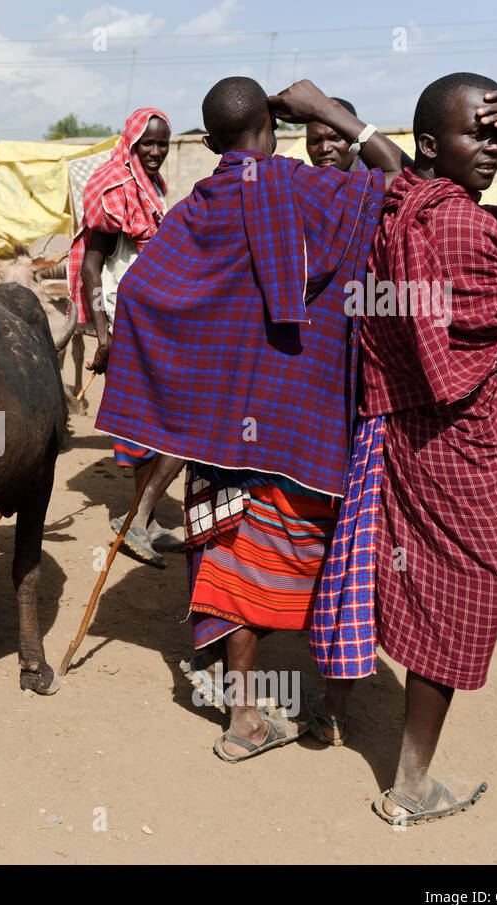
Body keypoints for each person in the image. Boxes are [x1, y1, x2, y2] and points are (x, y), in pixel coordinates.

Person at [97, 77, 402, 762]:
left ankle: (243, 717)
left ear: (209, 143)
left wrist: (178, 398)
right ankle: (333, 709)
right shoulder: (315, 189)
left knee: (231, 558)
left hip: (220, 434)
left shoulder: (193, 210)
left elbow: (141, 291)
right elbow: (402, 178)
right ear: (275, 123)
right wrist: (328, 108)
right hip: (303, 425)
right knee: (323, 561)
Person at [313, 73, 497, 825]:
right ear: (429, 145)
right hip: (465, 444)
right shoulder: (453, 226)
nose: (491, 148)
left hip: (421, 434)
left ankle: (334, 713)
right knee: (463, 594)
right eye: (475, 135)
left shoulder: (417, 206)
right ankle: (412, 786)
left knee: (417, 581)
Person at [67, 107, 182, 565]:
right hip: (123, 325)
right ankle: (137, 519)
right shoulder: (112, 189)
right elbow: (93, 267)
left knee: (150, 423)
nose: (155, 152)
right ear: (131, 143)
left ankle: (146, 520)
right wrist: (103, 334)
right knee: (173, 422)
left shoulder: (150, 189)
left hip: (149, 322)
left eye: (162, 145)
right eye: (147, 144)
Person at [305, 97, 361, 171]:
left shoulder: (374, 179)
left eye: (335, 139)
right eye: (315, 141)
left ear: (357, 141)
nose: (325, 149)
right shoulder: (302, 180)